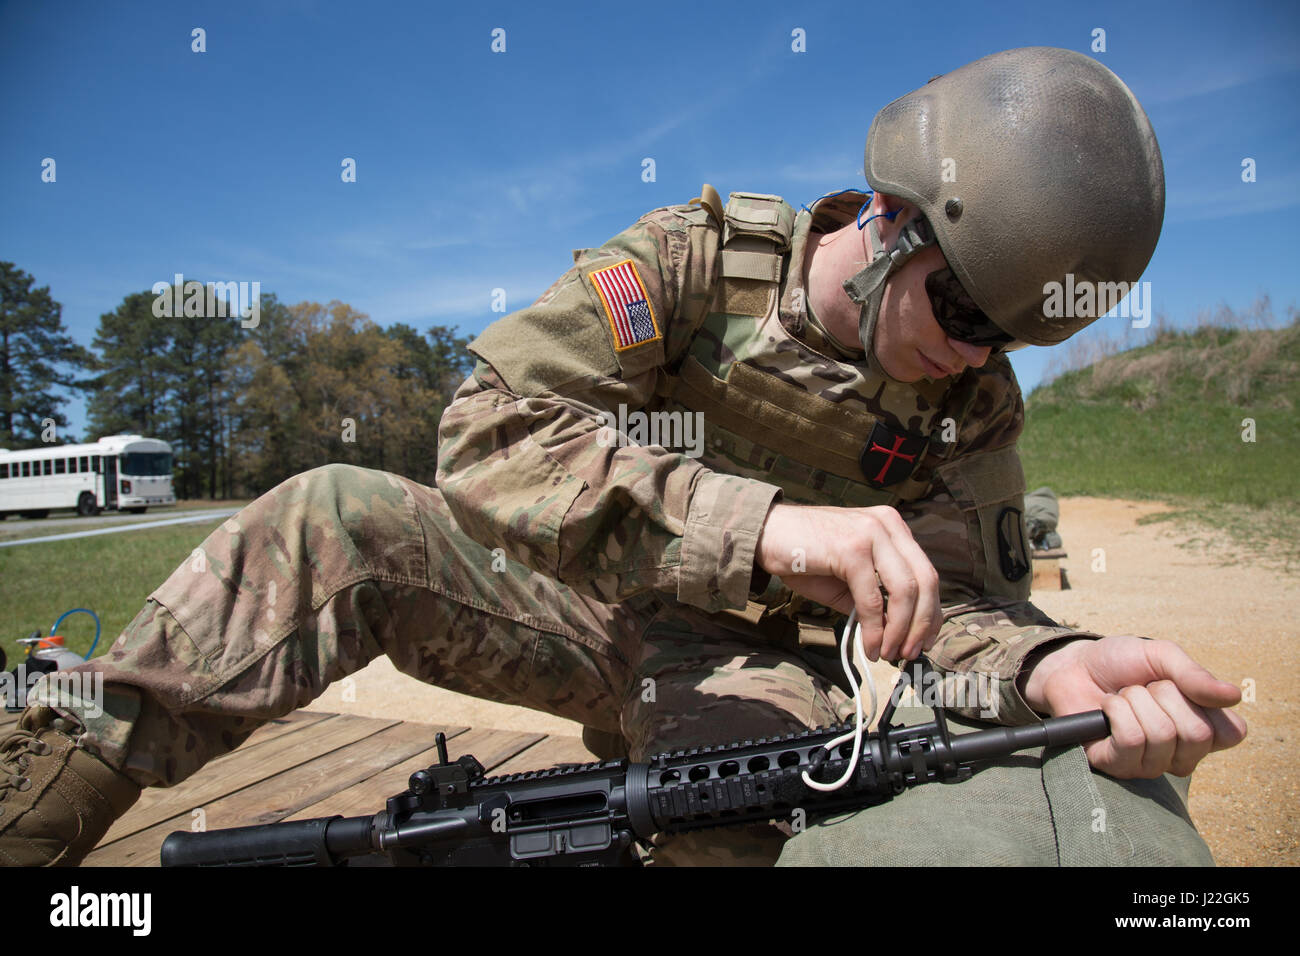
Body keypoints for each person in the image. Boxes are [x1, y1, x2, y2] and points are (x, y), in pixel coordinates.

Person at [0, 46, 1245, 867]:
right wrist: (760, 527)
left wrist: (1052, 659)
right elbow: (486, 435)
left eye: (1007, 340)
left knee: (723, 798)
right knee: (330, 515)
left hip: (771, 674)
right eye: (963, 312)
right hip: (589, 610)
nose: (974, 362)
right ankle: (38, 816)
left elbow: (964, 611)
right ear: (885, 218)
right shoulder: (691, 267)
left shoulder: (970, 408)